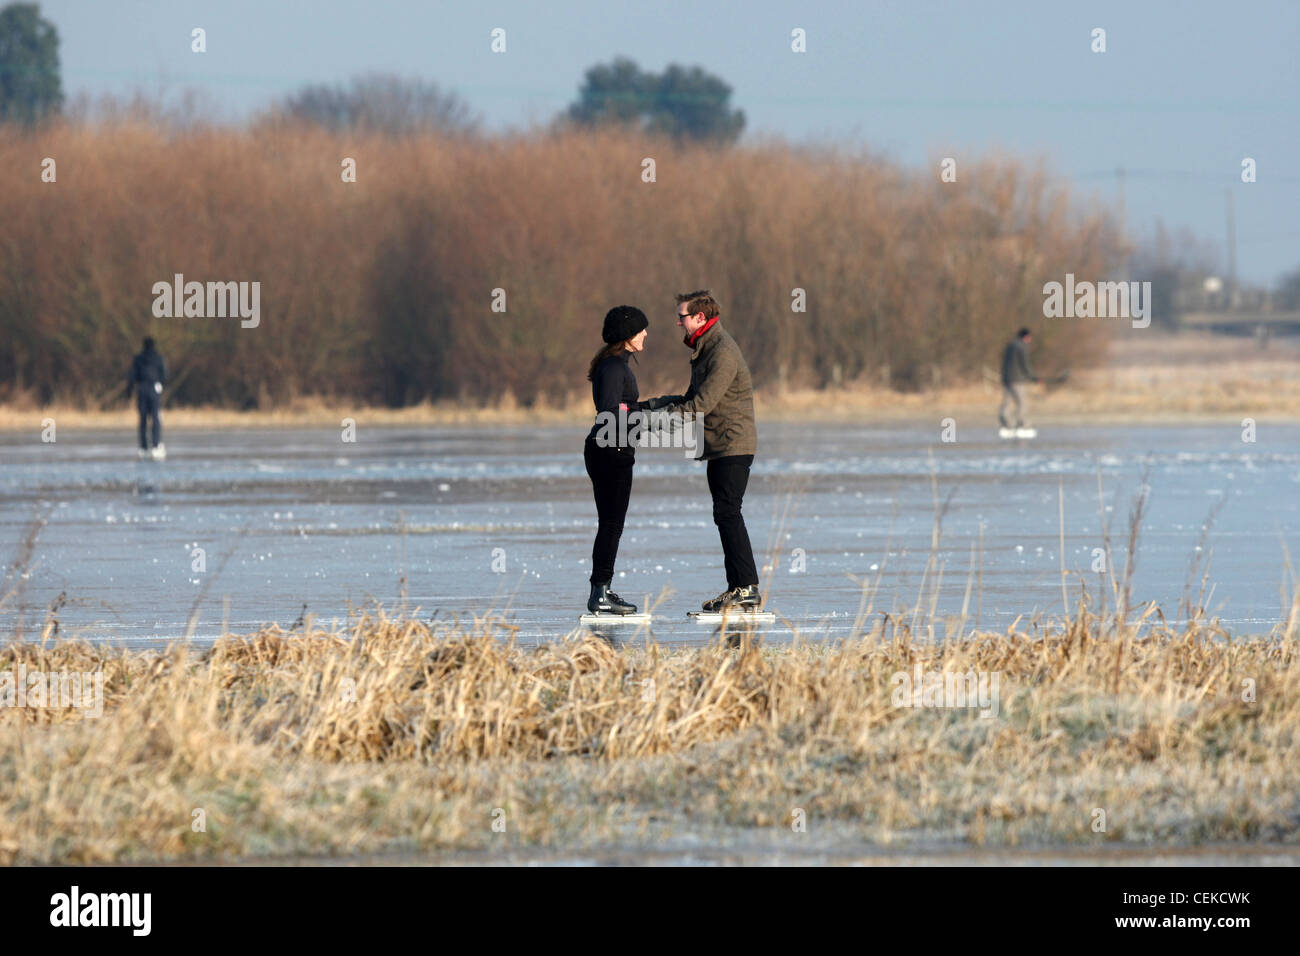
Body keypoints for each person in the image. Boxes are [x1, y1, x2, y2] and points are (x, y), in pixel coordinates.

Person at [647, 290, 761, 613]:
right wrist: (649, 407)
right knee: (724, 513)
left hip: (733, 445)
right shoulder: (706, 348)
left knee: (728, 512)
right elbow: (687, 398)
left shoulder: (722, 352)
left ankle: (746, 587)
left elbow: (700, 405)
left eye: (681, 317)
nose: (678, 322)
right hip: (719, 446)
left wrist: (654, 423)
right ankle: (738, 587)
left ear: (699, 318)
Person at [583, 305, 661, 615]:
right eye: (641, 329)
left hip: (610, 450)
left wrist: (657, 406)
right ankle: (600, 592)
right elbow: (610, 412)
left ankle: (602, 589)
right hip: (610, 452)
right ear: (626, 335)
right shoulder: (615, 367)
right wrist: (645, 416)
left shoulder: (614, 365)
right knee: (611, 525)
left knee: (611, 524)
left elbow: (624, 407)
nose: (645, 334)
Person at [127, 337, 166, 459]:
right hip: (154, 389)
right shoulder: (158, 358)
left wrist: (129, 391)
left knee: (143, 419)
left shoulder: (138, 358)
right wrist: (161, 385)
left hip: (142, 389)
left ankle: (143, 447)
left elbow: (132, 376)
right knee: (155, 418)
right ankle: (155, 445)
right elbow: (164, 374)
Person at [999, 327, 1038, 429]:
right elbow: (1024, 364)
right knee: (1022, 402)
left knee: (1007, 401)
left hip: (1006, 378)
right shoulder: (1022, 347)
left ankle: (1005, 421)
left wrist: (1003, 377)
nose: (1030, 339)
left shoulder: (1010, 345)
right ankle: (1021, 423)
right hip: (1017, 379)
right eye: (1029, 337)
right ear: (1026, 337)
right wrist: (1033, 377)